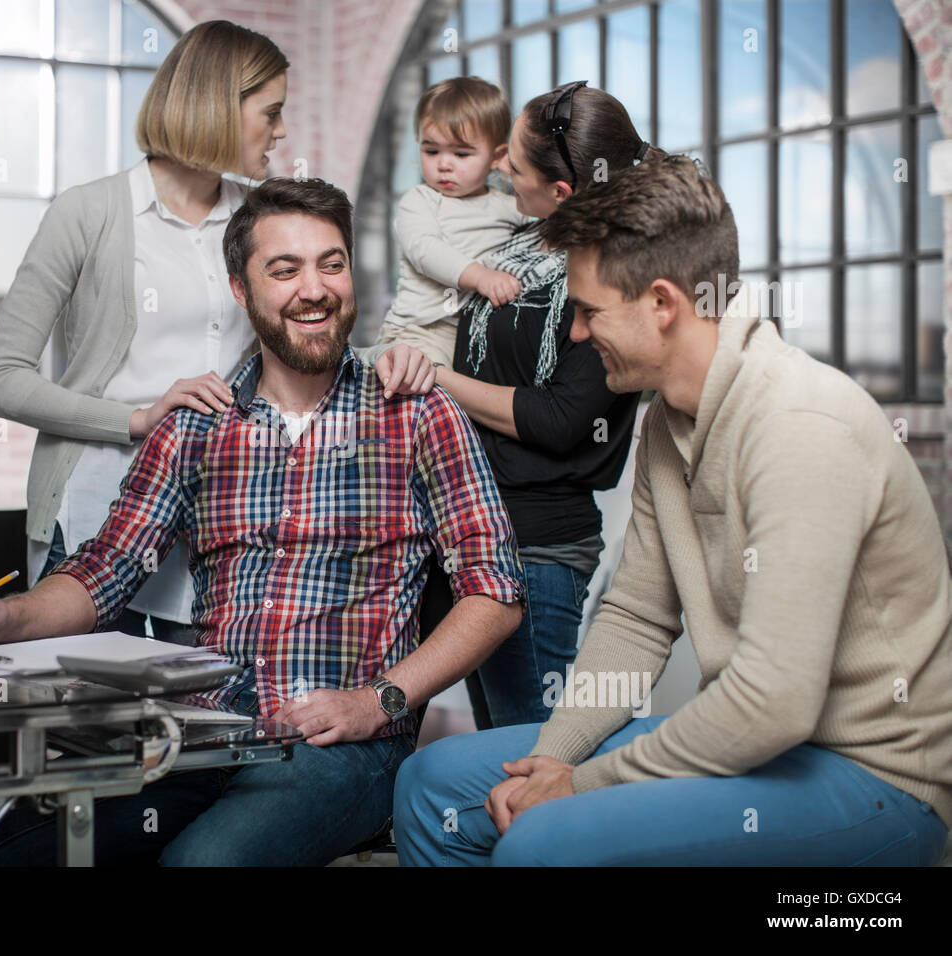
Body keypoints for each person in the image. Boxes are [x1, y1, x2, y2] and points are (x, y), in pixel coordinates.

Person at [0, 177, 527, 866]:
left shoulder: (416, 410)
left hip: (339, 746)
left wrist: (378, 701)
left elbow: (496, 593)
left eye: (330, 263)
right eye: (285, 269)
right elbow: (105, 572)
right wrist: (9, 620)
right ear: (241, 290)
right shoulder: (196, 425)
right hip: (197, 736)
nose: (315, 288)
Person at [393, 154, 952, 866]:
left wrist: (579, 784)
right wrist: (553, 757)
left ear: (663, 304)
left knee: (543, 839)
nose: (577, 335)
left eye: (589, 312)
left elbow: (774, 702)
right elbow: (638, 617)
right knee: (431, 783)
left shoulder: (802, 425)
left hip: (877, 778)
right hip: (764, 745)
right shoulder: (665, 424)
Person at [0, 21, 433, 648]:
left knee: (195, 718)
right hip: (93, 512)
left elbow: (306, 332)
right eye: (270, 113)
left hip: (221, 513)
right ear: (219, 106)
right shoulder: (89, 213)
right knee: (85, 720)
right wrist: (138, 419)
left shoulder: (258, 216)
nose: (281, 131)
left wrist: (393, 355)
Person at [427, 82, 650, 729]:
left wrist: (436, 378)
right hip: (465, 528)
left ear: (563, 192)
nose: (499, 169)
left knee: (528, 750)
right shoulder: (522, 235)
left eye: (514, 164)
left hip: (535, 548)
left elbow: (559, 419)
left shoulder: (610, 281)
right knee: (490, 744)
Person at [374, 76, 528, 367]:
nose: (444, 164)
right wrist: (481, 277)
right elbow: (425, 250)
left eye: (461, 153)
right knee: (420, 398)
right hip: (418, 332)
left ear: (496, 156)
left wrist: (516, 173)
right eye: (431, 151)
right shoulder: (419, 201)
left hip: (472, 334)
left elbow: (550, 214)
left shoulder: (507, 205)